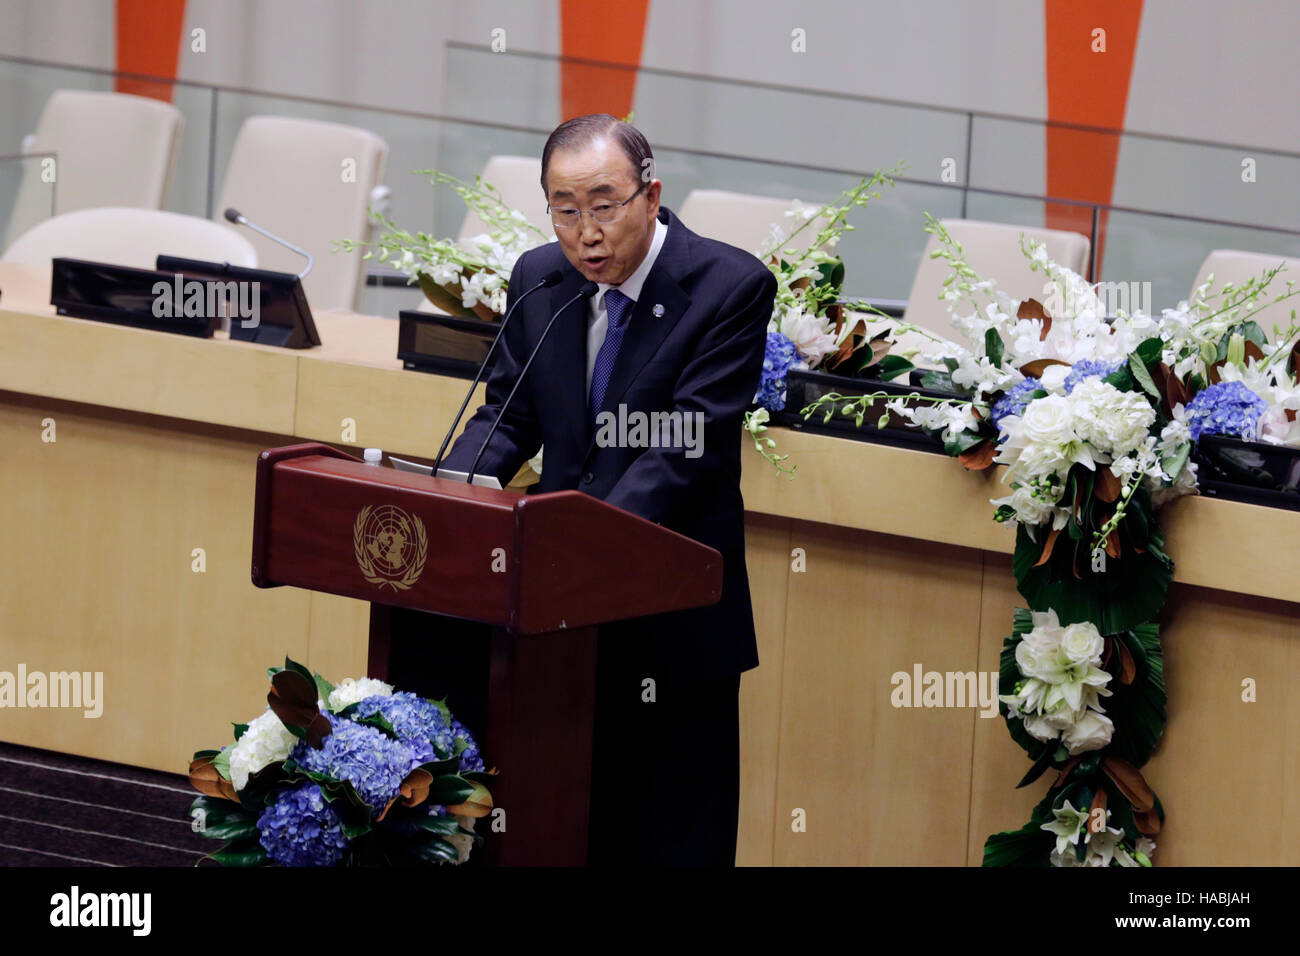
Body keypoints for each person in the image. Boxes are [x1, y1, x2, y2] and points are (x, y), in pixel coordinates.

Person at [438, 113, 777, 866]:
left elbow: (685, 448)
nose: (586, 232)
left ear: (652, 195)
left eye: (604, 204)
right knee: (555, 824)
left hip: (671, 619)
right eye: (565, 209)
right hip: (557, 625)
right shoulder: (540, 278)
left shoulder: (728, 287)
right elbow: (510, 411)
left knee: (665, 838)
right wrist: (453, 494)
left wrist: (572, 548)